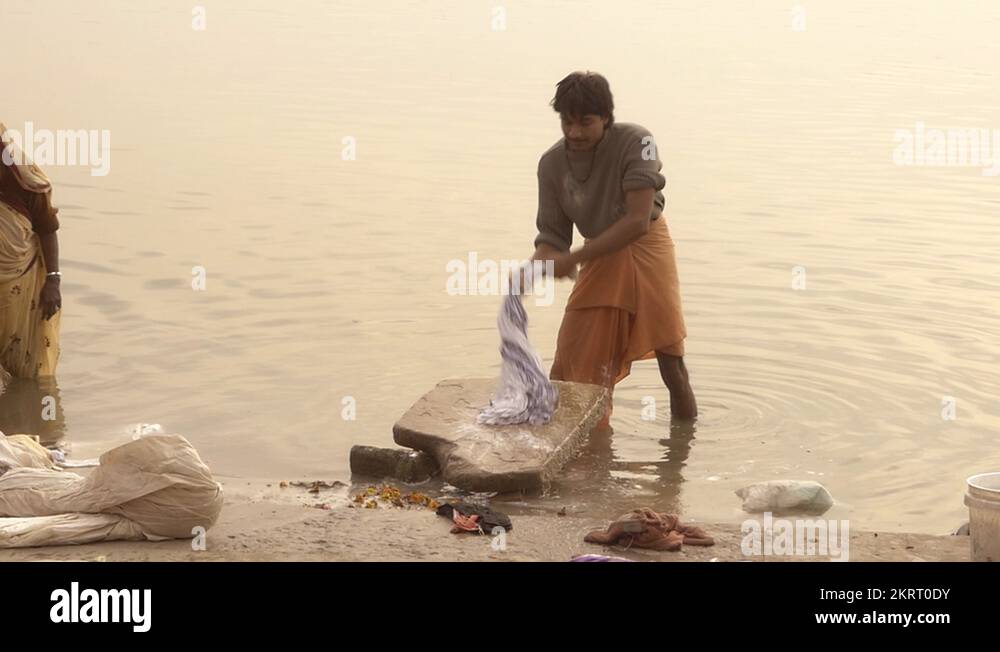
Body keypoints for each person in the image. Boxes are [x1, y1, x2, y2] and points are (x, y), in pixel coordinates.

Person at [531, 72, 697, 424]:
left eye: (586, 123)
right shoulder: (551, 164)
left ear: (606, 118)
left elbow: (637, 220)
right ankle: (588, 460)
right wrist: (535, 267)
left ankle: (682, 448)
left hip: (648, 245)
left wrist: (572, 259)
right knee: (571, 363)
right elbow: (552, 236)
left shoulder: (639, 142)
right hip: (599, 253)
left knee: (671, 362)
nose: (575, 133)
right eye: (567, 122)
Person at [0, 122, 62, 385]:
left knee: (27, 373)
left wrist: (53, 280)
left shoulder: (23, 175)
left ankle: (30, 419)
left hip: (20, 285)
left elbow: (47, 229)